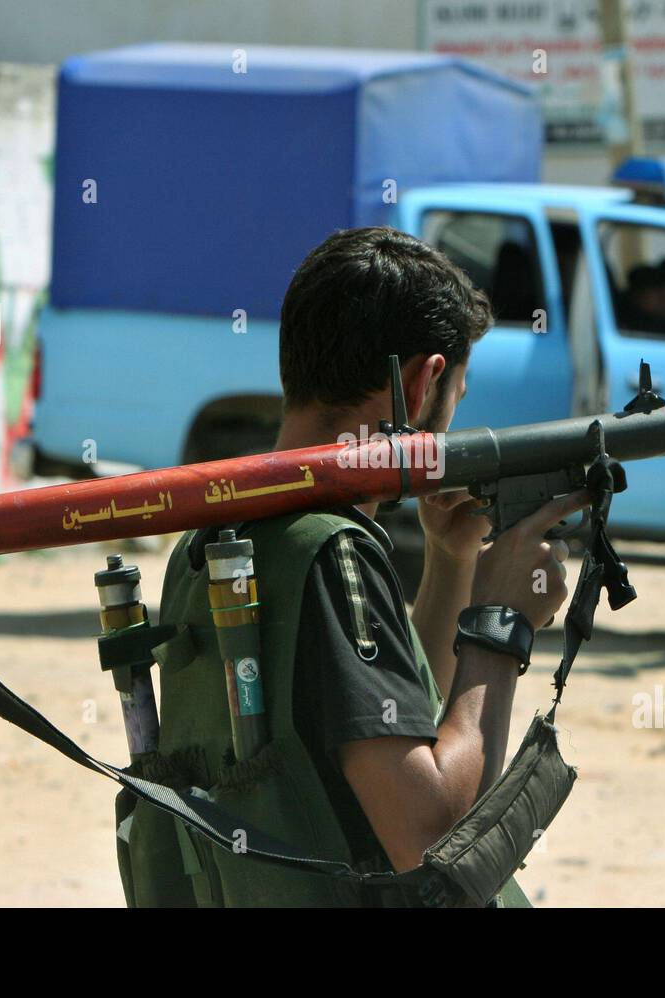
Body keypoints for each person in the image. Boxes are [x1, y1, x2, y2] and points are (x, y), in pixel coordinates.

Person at [120, 226, 586, 907]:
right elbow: (431, 840)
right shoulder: (332, 551)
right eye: (454, 397)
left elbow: (390, 728)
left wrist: (452, 561)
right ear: (423, 382)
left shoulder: (217, 540)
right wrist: (501, 621)